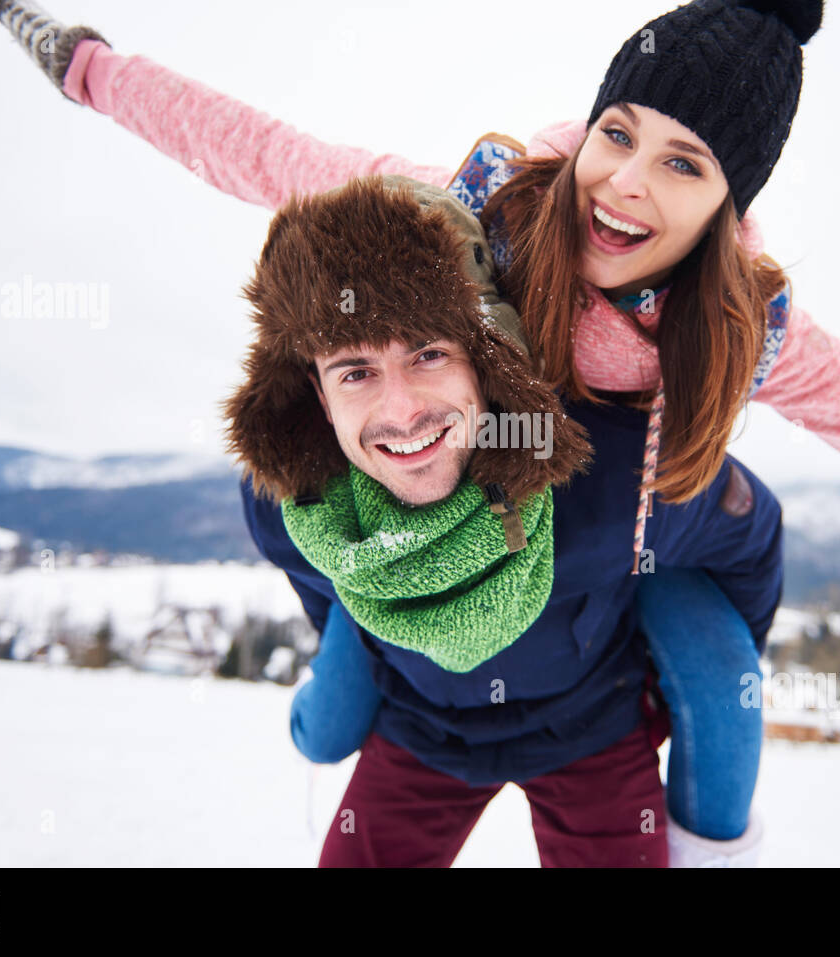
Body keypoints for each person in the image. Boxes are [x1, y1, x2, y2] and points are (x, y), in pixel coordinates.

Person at [0, 0, 840, 866]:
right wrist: (85, 67)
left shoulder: (741, 330)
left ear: (725, 205)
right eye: (618, 132)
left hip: (589, 698)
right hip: (424, 694)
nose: (624, 184)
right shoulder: (462, 213)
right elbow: (260, 151)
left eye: (682, 163)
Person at [225, 171, 785, 866]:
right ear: (316, 389)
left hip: (588, 724)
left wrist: (693, 648)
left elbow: (749, 537)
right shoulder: (291, 503)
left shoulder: (612, 477)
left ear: (488, 355)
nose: (402, 412)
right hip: (421, 727)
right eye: (355, 371)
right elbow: (324, 594)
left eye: (428, 353)